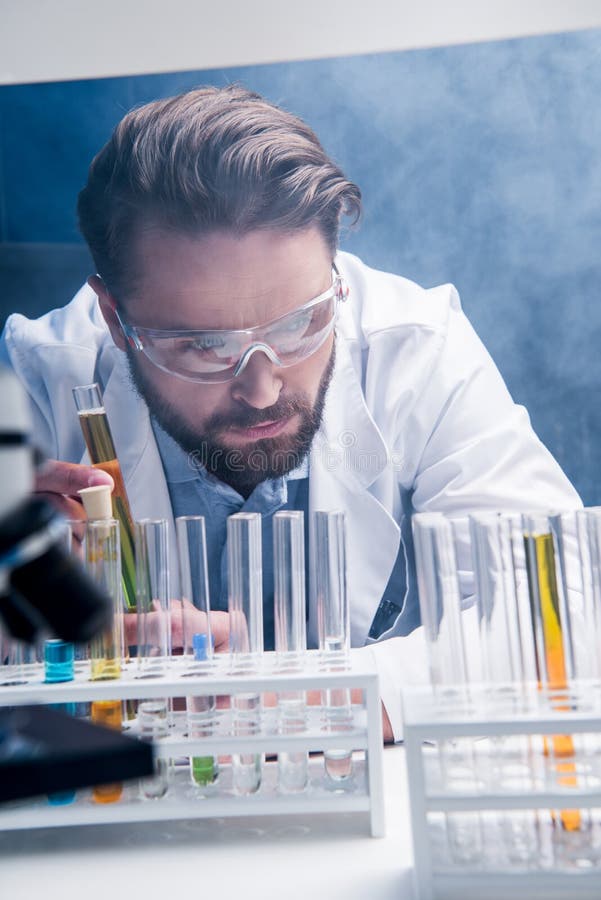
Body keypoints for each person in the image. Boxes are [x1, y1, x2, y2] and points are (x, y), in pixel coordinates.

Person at [0, 85, 580, 741]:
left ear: (333, 276)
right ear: (115, 317)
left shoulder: (412, 347)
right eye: (203, 344)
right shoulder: (42, 378)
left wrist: (279, 699)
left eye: (300, 324)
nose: (262, 387)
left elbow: (561, 610)